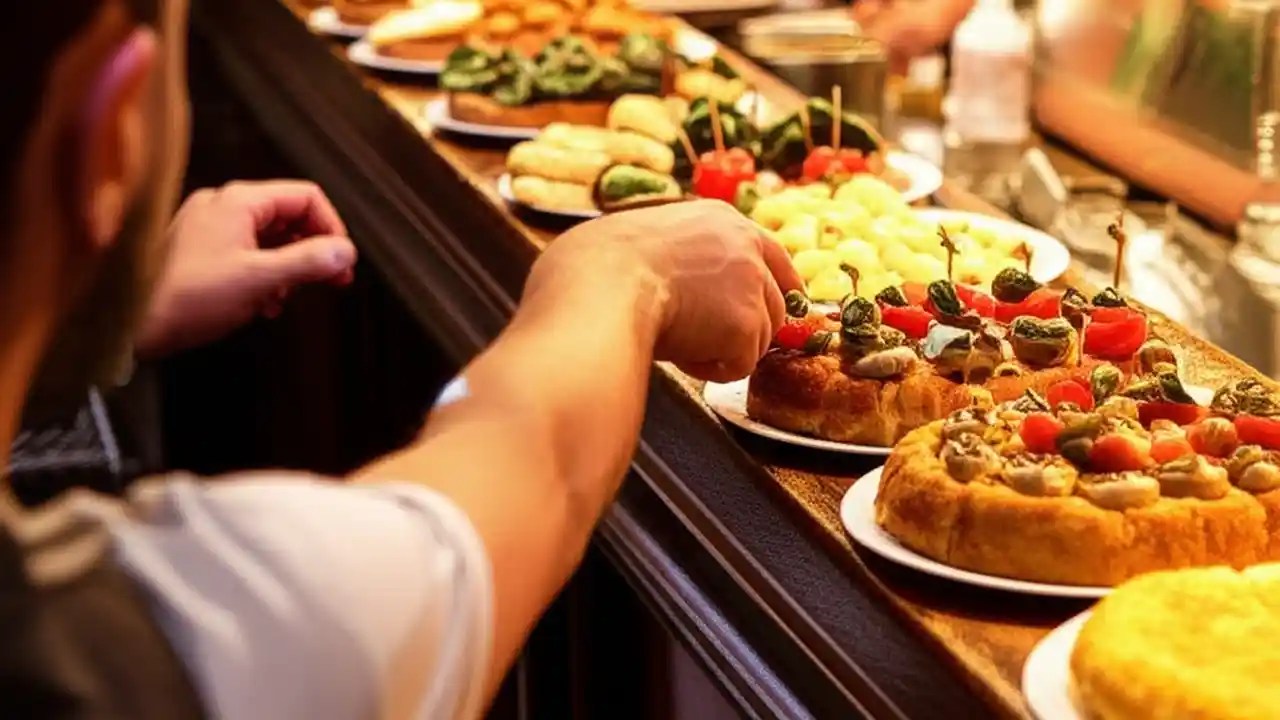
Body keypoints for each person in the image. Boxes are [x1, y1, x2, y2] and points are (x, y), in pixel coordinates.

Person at [1, 2, 801, 720]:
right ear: (112, 137)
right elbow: (528, 470)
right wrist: (629, 270)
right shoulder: (167, 644)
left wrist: (90, 308)